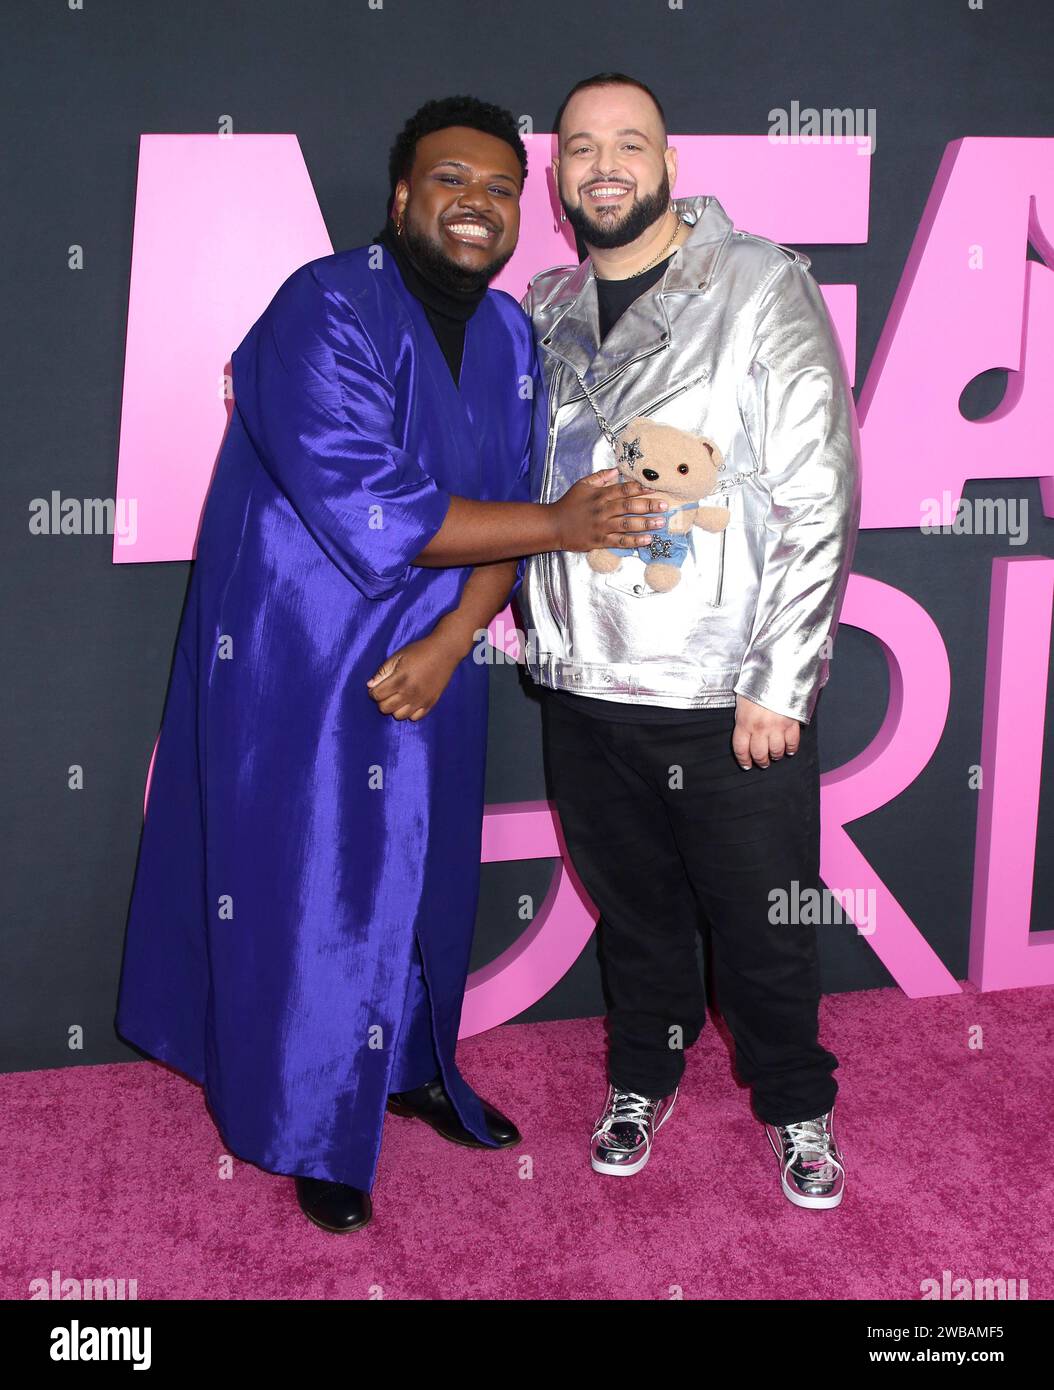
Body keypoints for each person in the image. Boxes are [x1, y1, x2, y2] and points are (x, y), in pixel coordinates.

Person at [115, 95, 662, 1234]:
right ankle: (312, 1120)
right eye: (452, 181)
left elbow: (514, 510)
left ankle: (409, 1068)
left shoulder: (512, 334)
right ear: (403, 196)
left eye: (503, 188)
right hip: (302, 653)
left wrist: (457, 635)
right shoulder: (321, 308)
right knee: (313, 885)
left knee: (425, 872)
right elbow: (381, 507)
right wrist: (558, 527)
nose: (479, 204)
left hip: (442, 646)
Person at [519, 74, 862, 1208]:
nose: (604, 165)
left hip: (727, 690)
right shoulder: (545, 307)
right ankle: (639, 1076)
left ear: (669, 164)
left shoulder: (759, 281)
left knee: (764, 925)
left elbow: (817, 489)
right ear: (558, 175)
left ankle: (795, 1103)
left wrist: (782, 677)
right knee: (636, 912)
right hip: (584, 681)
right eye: (580, 147)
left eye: (629, 143)